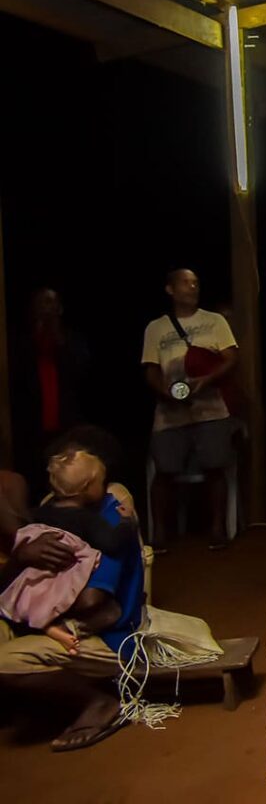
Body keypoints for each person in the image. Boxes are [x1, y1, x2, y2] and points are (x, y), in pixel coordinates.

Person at [0, 429, 146, 752]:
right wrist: (23, 558)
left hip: (105, 630)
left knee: (3, 661)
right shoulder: (55, 516)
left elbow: (92, 600)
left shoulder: (110, 509)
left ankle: (99, 703)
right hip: (60, 614)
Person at [0, 450, 137, 654]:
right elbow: (112, 543)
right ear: (87, 487)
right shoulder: (87, 518)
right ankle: (63, 627)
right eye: (101, 482)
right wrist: (128, 522)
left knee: (26, 606)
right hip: (63, 586)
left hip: (33, 586)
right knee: (111, 612)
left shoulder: (41, 512)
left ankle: (44, 626)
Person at [141, 268, 239, 550]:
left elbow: (231, 358)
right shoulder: (156, 328)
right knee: (164, 470)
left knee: (215, 466)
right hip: (169, 410)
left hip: (210, 406)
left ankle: (218, 529)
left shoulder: (215, 321)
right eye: (185, 283)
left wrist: (205, 380)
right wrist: (166, 392)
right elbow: (150, 370)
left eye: (195, 283)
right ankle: (159, 533)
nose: (192, 287)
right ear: (170, 290)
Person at [14, 288, 90, 489]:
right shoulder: (20, 343)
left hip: (68, 423)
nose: (46, 308)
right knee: (34, 478)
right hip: (31, 426)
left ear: (60, 309)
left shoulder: (73, 341)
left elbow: (82, 371)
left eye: (51, 303)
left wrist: (56, 334)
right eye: (42, 303)